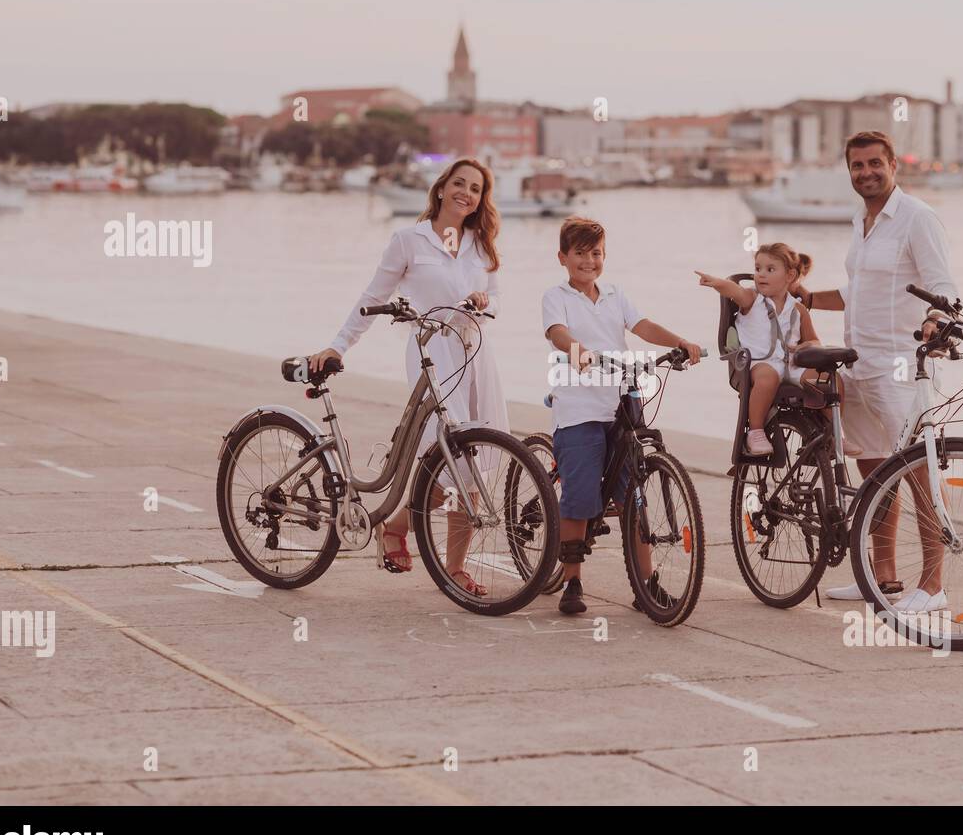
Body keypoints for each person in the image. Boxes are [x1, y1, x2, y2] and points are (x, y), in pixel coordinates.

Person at [307, 157, 509, 597]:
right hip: (432, 351)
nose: (467, 194)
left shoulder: (482, 244)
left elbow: (495, 302)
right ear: (440, 189)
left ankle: (436, 556)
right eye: (460, 183)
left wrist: (481, 300)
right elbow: (372, 297)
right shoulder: (408, 240)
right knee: (451, 461)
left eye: (476, 189)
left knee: (475, 465)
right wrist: (338, 347)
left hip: (476, 353)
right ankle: (402, 531)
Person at [789, 131, 959, 615]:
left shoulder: (918, 219)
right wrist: (807, 297)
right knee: (874, 472)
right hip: (857, 361)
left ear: (893, 166)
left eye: (874, 164)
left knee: (917, 472)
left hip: (901, 365)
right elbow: (856, 291)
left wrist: (934, 322)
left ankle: (932, 586)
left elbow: (942, 287)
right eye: (857, 166)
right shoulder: (860, 220)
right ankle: (881, 578)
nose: (866, 173)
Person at [542, 216, 702, 615]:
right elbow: (557, 332)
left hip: (620, 401)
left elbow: (642, 326)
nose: (589, 261)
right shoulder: (556, 296)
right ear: (563, 257)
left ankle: (645, 584)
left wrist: (679, 341)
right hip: (579, 406)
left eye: (596, 253)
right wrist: (577, 349)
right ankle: (572, 580)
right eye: (580, 253)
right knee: (578, 498)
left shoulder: (615, 293)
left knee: (635, 496)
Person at [695, 243, 841, 455]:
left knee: (830, 378)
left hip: (790, 364)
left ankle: (835, 433)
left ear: (790, 275)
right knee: (768, 378)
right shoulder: (752, 299)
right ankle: (755, 432)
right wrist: (717, 283)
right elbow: (734, 290)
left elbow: (814, 340)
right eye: (757, 269)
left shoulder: (798, 309)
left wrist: (804, 346)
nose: (761, 275)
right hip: (757, 363)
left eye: (770, 270)